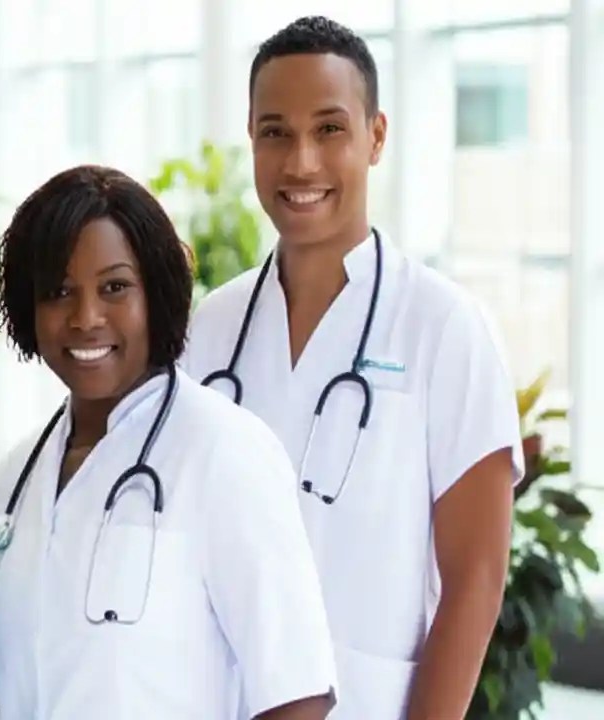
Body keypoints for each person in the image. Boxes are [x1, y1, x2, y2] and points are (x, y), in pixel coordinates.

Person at [180, 16, 523, 720]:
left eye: (329, 128)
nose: (300, 161)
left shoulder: (445, 328)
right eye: (275, 131)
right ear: (250, 138)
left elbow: (477, 580)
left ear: (376, 136)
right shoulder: (208, 328)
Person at [0, 164, 338, 720]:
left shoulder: (226, 453)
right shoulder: (14, 479)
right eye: (59, 291)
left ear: (159, 292)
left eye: (114, 287)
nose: (86, 316)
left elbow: (297, 695)